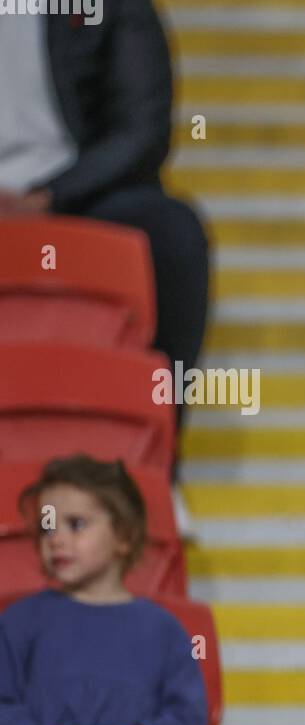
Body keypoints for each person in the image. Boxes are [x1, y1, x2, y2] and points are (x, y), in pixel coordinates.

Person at [0, 0, 211, 502]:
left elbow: (143, 131)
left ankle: (157, 472)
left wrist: (49, 198)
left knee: (172, 235)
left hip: (73, 194)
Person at [0, 455, 208, 725]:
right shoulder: (17, 622)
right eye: (47, 526)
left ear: (123, 535)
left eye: (76, 524)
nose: (55, 539)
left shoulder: (163, 630)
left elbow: (188, 715)